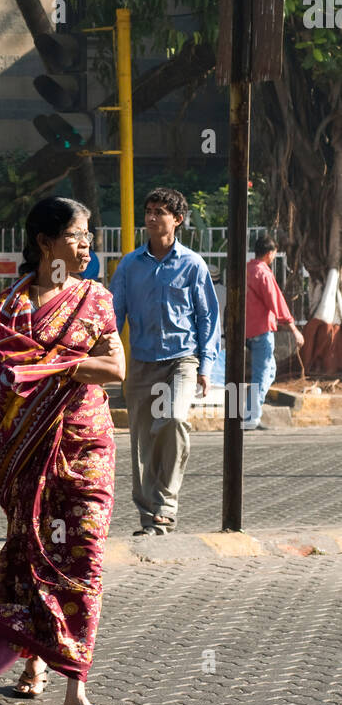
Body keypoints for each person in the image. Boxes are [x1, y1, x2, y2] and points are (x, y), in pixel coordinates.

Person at [0, 196, 125, 705]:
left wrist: (64, 366)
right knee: (34, 551)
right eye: (78, 235)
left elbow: (116, 368)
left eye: (89, 236)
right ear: (45, 242)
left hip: (87, 446)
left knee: (84, 559)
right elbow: (5, 387)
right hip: (29, 452)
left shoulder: (96, 298)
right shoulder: (12, 308)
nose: (87, 245)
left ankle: (75, 691)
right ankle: (34, 649)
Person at [110, 187, 220, 536]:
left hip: (181, 361)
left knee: (171, 421)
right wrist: (106, 358)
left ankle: (166, 504)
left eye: (160, 211)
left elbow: (207, 318)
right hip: (141, 363)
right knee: (142, 441)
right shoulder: (129, 265)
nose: (152, 217)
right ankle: (150, 518)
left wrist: (206, 366)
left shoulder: (192, 265)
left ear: (178, 219)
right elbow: (114, 314)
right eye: (149, 210)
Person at [244, 233, 304, 431]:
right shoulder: (263, 273)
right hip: (261, 330)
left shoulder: (246, 270)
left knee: (266, 372)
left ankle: (249, 411)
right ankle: (251, 415)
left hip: (248, 330)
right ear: (270, 253)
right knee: (262, 374)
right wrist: (294, 328)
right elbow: (276, 302)